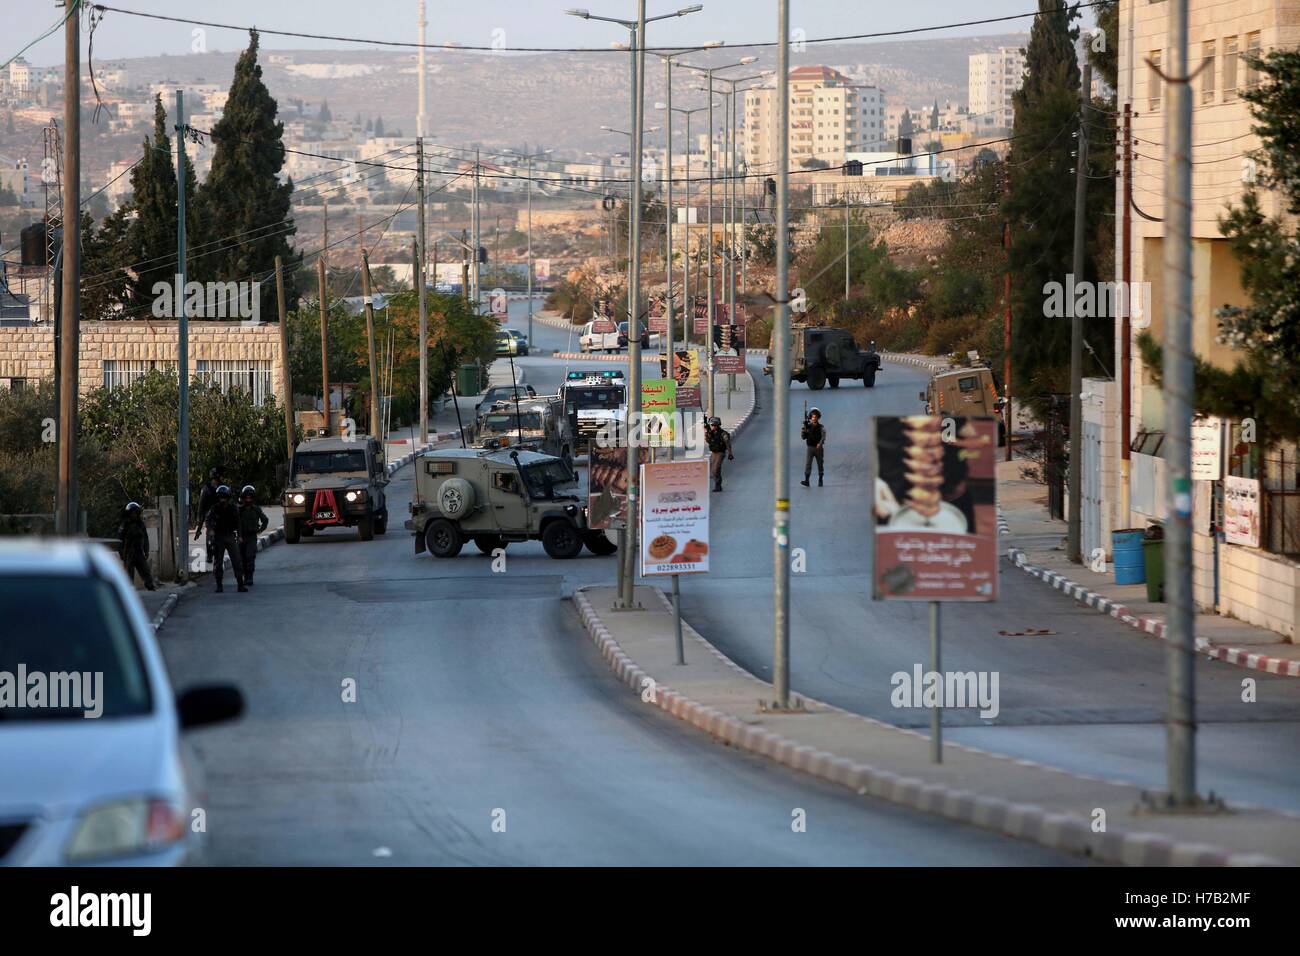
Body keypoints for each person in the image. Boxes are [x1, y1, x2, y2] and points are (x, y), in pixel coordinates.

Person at [205, 485, 247, 593]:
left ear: (228, 497)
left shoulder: (233, 508)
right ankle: (219, 585)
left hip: (230, 536)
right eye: (220, 497)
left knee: (237, 560)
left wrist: (240, 536)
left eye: (224, 497)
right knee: (218, 562)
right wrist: (210, 530)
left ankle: (240, 584)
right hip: (219, 537)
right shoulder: (215, 508)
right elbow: (208, 520)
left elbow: (238, 523)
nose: (222, 499)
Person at [116, 501, 156, 591]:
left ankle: (150, 586)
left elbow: (145, 538)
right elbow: (119, 539)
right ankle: (129, 589)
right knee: (128, 573)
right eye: (132, 513)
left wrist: (146, 550)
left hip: (139, 552)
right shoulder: (125, 524)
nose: (134, 515)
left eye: (135, 513)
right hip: (128, 552)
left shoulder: (140, 524)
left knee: (145, 570)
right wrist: (121, 553)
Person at [237, 485, 269, 587]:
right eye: (246, 497)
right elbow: (233, 521)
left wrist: (260, 530)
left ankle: (250, 577)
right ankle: (245, 576)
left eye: (250, 497)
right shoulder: (239, 509)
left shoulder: (256, 509)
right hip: (241, 536)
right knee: (242, 558)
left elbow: (265, 520)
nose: (248, 499)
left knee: (250, 556)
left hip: (251, 536)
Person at [194, 466, 226, 566]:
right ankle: (209, 554)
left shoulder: (222, 487)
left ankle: (219, 553)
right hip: (209, 516)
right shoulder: (206, 488)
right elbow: (201, 506)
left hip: (221, 515)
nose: (222, 477)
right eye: (220, 475)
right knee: (210, 535)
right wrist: (199, 524)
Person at [705, 417, 734, 492]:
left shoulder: (723, 433)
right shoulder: (711, 433)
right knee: (713, 470)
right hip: (714, 453)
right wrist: (707, 432)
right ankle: (717, 485)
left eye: (715, 425)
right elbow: (708, 441)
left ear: (718, 425)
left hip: (720, 453)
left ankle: (718, 485)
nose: (714, 427)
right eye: (712, 425)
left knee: (716, 469)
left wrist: (730, 453)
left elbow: (728, 443)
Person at [801, 407, 826, 487]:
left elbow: (823, 436)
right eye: (812, 417)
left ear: (818, 418)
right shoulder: (807, 427)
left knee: (820, 464)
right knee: (808, 464)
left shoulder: (821, 427)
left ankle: (820, 479)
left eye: (815, 417)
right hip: (810, 448)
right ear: (810, 418)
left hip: (818, 448)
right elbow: (803, 437)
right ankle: (807, 480)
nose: (813, 418)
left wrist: (820, 443)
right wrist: (804, 430)